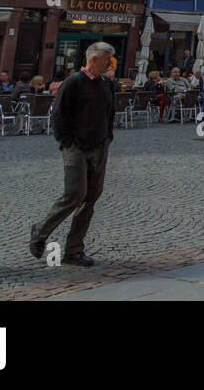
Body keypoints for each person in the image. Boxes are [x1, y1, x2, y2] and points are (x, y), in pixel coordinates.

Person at [30, 42, 116, 267]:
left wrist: (108, 136)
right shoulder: (73, 82)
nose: (110, 63)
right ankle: (40, 231)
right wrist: (66, 142)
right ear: (94, 59)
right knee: (75, 194)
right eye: (107, 59)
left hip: (100, 146)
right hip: (75, 147)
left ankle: (75, 249)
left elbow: (110, 111)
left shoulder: (106, 83)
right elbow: (58, 116)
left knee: (91, 198)